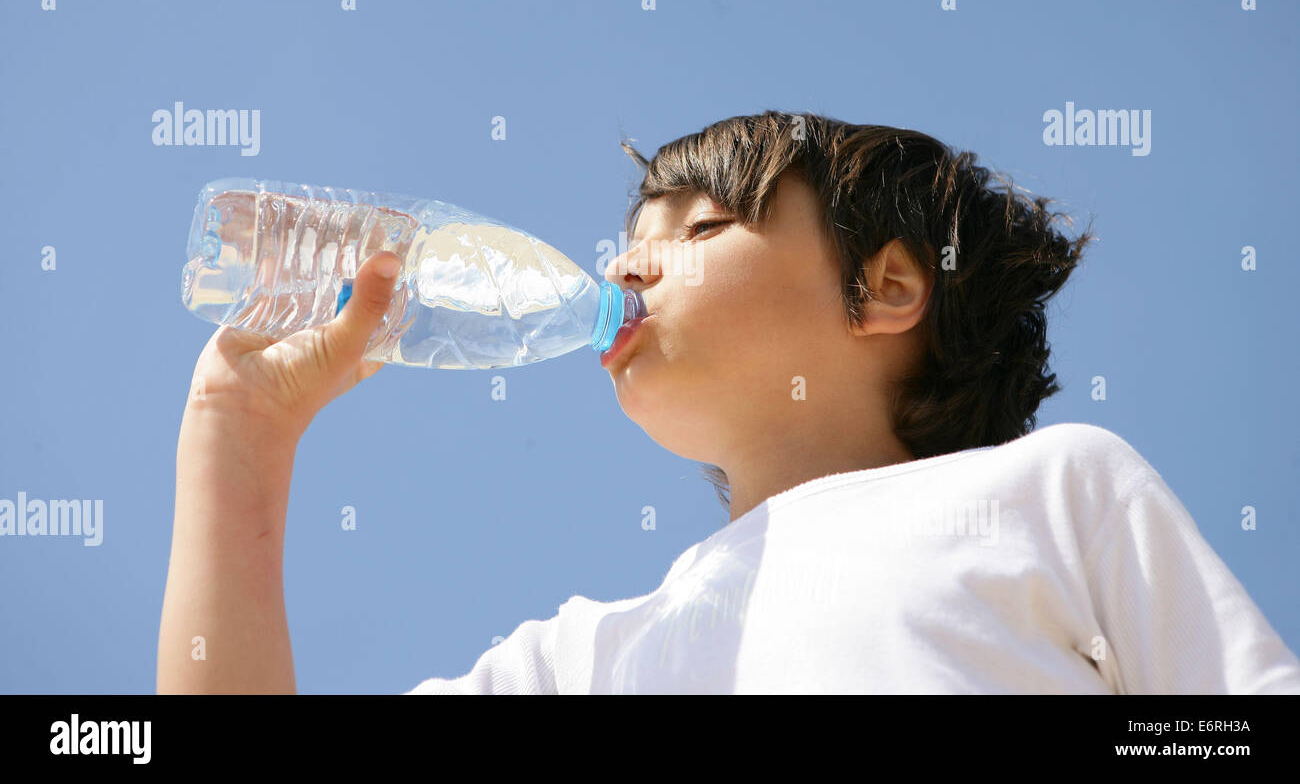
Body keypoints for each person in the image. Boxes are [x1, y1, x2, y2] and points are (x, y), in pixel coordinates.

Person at [158, 111, 1300, 694]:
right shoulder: (581, 657)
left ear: (886, 286)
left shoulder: (1049, 489)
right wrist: (237, 436)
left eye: (698, 228)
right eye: (624, 244)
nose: (624, 271)